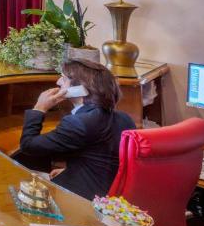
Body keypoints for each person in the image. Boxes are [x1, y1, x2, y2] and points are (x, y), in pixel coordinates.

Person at [18, 58, 135, 199]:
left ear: (81, 88)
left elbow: (28, 145)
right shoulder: (124, 117)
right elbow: (101, 158)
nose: (58, 82)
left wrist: (39, 108)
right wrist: (69, 170)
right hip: (109, 192)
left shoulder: (79, 122)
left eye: (63, 78)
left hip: (84, 198)